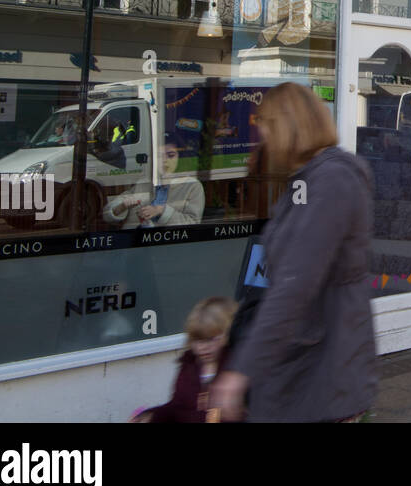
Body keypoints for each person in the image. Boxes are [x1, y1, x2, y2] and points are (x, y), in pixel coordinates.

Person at [212, 83, 377, 422]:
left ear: (288, 126)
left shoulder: (331, 179)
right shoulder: (307, 180)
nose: (264, 138)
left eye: (267, 127)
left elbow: (295, 283)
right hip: (303, 362)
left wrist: (241, 371)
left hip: (321, 369)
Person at [133, 297, 237, 422]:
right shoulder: (188, 368)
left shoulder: (235, 369)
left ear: (225, 335)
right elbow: (177, 408)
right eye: (198, 340)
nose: (204, 347)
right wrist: (152, 416)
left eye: (210, 339)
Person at [103, 135, 203, 229]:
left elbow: (193, 225)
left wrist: (161, 211)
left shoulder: (192, 186)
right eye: (159, 156)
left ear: (180, 158)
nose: (164, 160)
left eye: (170, 155)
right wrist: (121, 207)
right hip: (134, 243)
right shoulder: (145, 183)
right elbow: (107, 215)